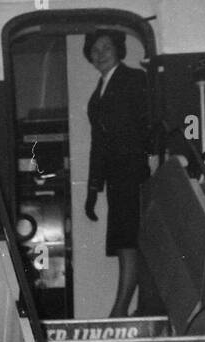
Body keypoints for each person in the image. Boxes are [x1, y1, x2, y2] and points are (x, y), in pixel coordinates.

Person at [82, 28, 150, 318]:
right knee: (125, 241)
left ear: (118, 50)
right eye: (95, 50)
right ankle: (122, 307)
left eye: (106, 47)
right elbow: (98, 145)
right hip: (116, 178)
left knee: (129, 241)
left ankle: (120, 309)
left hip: (132, 173)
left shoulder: (134, 79)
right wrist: (92, 190)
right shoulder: (98, 93)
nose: (100, 54)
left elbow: (146, 124)